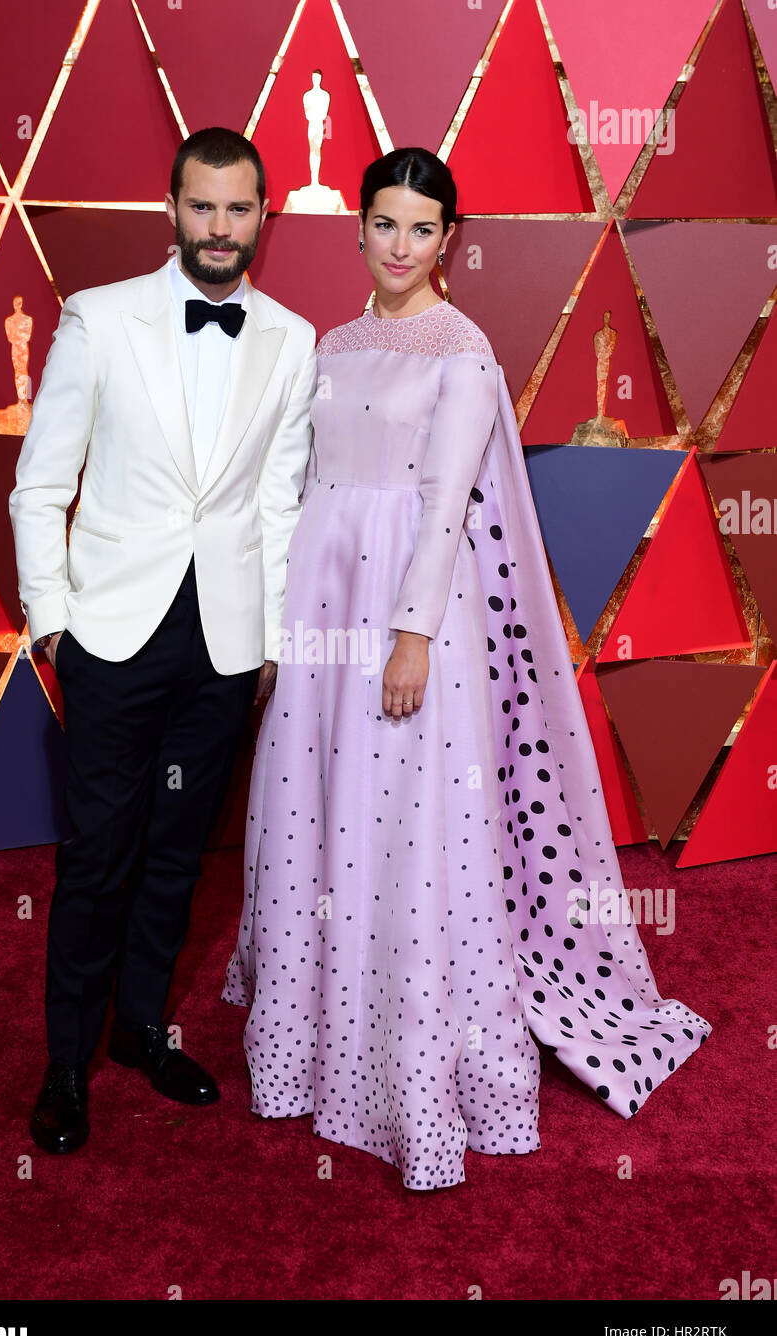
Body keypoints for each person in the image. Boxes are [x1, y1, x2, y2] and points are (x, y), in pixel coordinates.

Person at [223, 148, 712, 1191]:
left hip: (407, 612)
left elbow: (443, 507)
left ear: (449, 238)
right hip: (320, 605)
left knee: (401, 821)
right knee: (317, 801)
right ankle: (314, 1040)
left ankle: (412, 1062)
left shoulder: (463, 353)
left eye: (420, 228)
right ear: (357, 227)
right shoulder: (333, 345)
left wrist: (411, 634)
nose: (399, 246)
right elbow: (302, 484)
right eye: (383, 223)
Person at [9, 128, 317, 1154]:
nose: (219, 228)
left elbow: (278, 501)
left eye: (238, 210)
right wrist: (52, 623)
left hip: (223, 647)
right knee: (98, 851)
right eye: (202, 207)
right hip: (110, 633)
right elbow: (40, 482)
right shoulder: (98, 319)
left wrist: (267, 638)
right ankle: (66, 1061)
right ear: (172, 208)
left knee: (178, 854)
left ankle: (142, 1027)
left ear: (261, 216)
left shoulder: (291, 337)